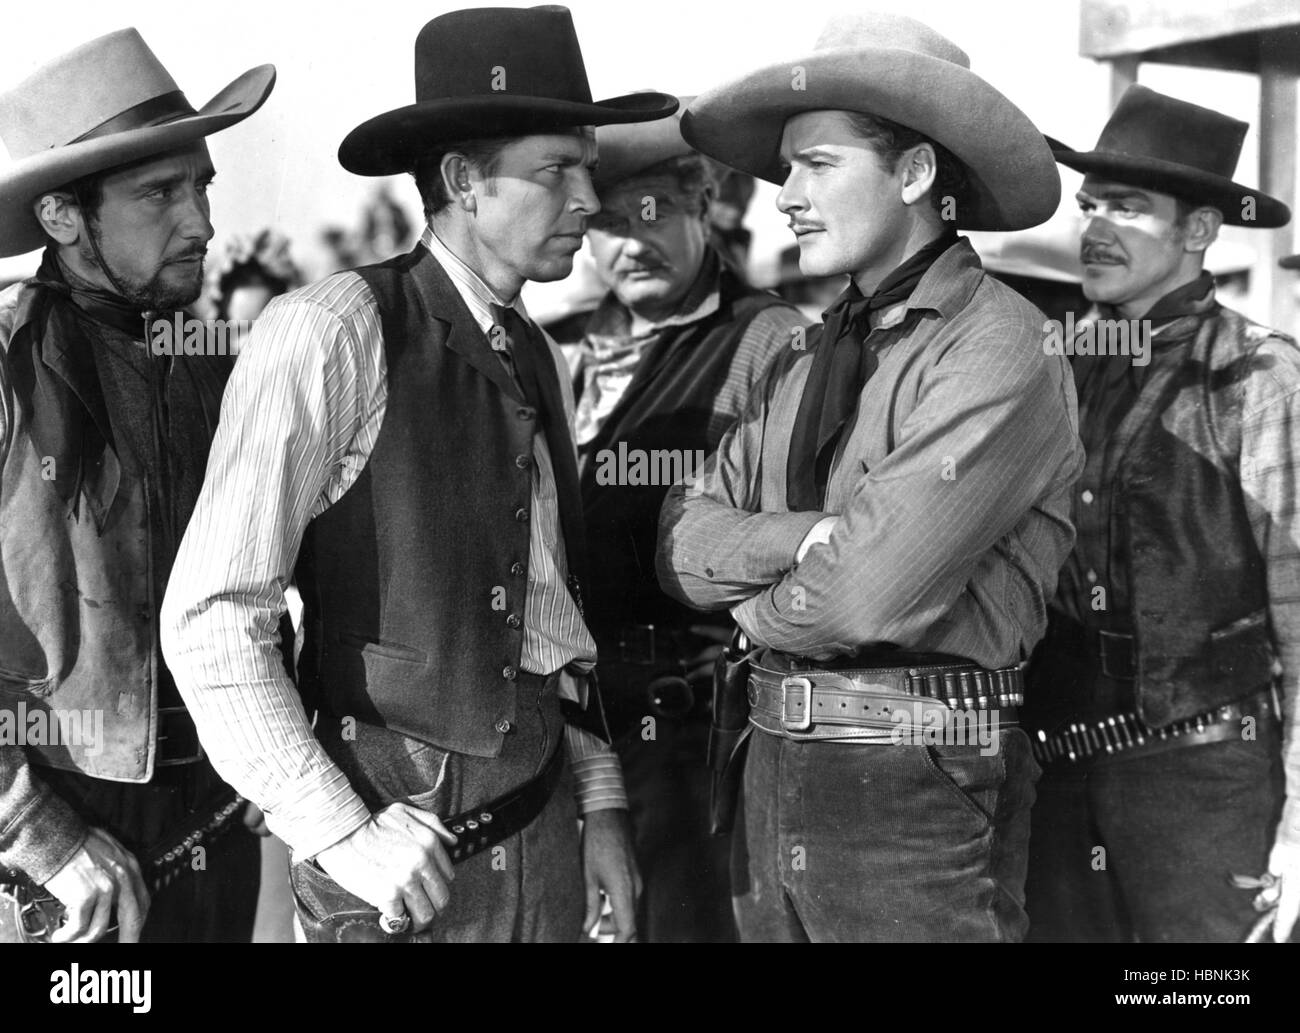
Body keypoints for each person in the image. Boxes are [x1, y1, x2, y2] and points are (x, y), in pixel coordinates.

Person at [161, 5, 677, 943]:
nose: (589, 200)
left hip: (544, 827)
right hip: (396, 862)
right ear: (463, 181)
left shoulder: (534, 353)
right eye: (557, 168)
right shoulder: (331, 331)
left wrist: (598, 805)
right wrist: (343, 833)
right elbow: (210, 620)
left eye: (588, 168)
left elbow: (552, 615)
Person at [656, 11, 1082, 942]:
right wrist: (809, 539)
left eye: (818, 163)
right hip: (768, 767)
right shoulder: (798, 353)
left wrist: (753, 610)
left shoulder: (1000, 343)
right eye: (786, 169)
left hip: (916, 780)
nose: (786, 197)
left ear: (917, 173)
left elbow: (867, 594)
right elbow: (683, 548)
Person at [0, 28, 274, 942]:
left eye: (201, 187)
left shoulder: (213, 362)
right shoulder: (5, 360)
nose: (199, 222)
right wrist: (31, 829)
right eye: (160, 192)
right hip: (57, 842)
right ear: (62, 217)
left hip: (216, 815)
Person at [1024, 84, 1299, 943]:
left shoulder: (1259, 377)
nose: (1096, 227)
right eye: (1090, 204)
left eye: (1129, 208)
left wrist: (1298, 827)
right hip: (1061, 766)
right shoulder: (1058, 365)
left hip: (1205, 773)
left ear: (1199, 231)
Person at [576, 100, 808, 941]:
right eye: (602, 222)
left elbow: (783, 541)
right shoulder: (563, 351)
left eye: (653, 214)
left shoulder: (769, 340)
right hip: (580, 728)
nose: (630, 242)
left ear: (703, 202)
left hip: (692, 727)